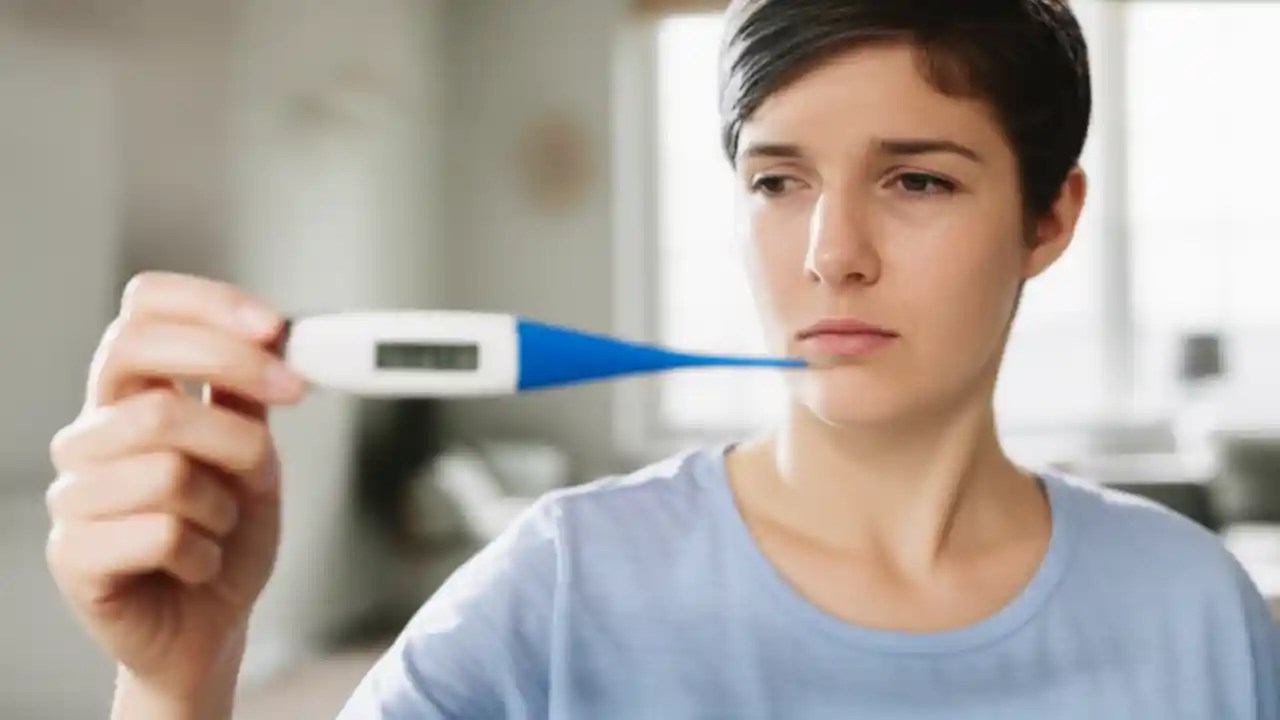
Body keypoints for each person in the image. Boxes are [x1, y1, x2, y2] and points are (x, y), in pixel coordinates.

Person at [45, 1, 1280, 717]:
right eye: (777, 182)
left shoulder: (1195, 613)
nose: (828, 254)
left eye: (914, 179)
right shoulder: (553, 591)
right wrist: (176, 683)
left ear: (1047, 219)